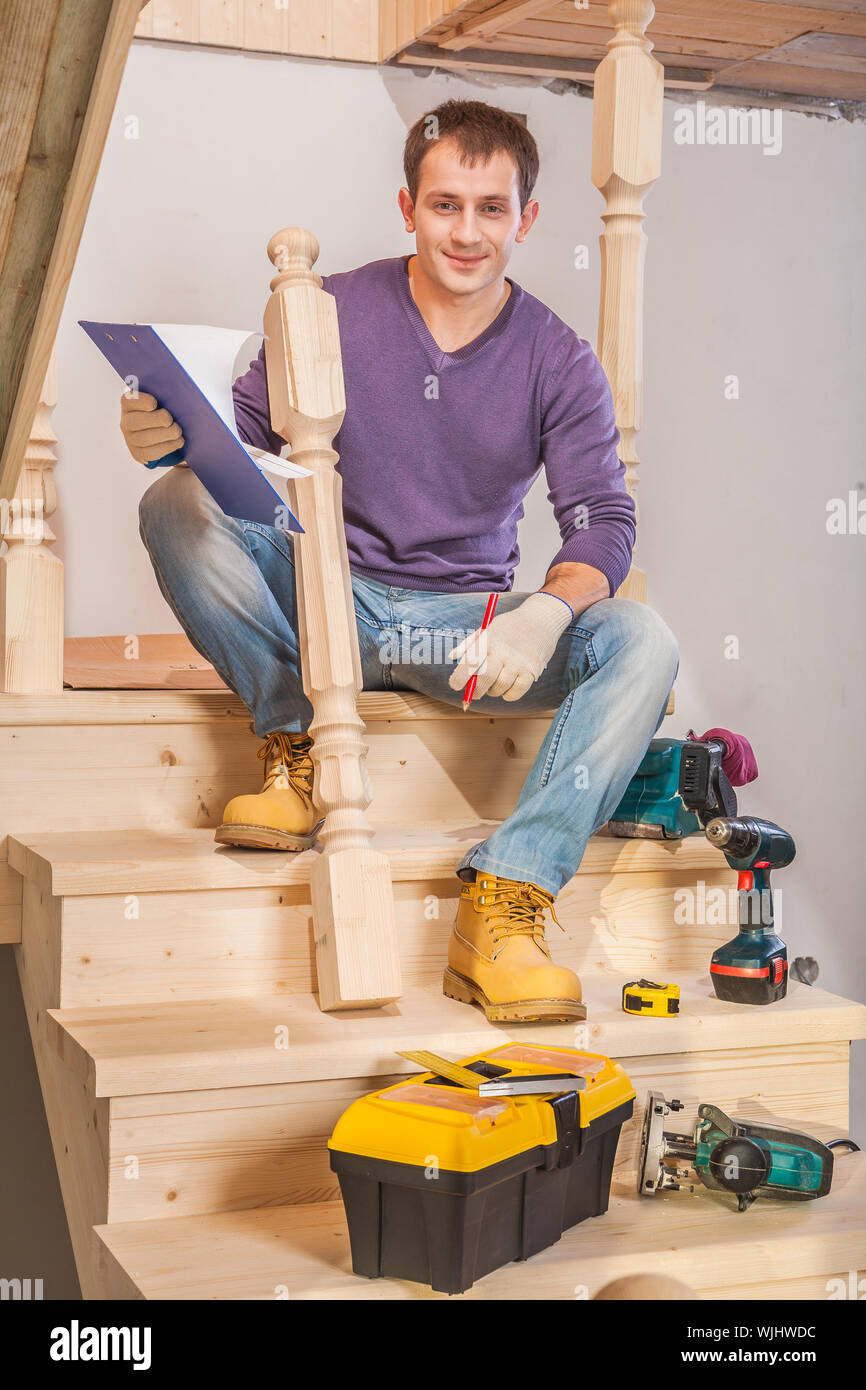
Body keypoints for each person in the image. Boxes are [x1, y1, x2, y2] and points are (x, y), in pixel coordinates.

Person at [126, 99, 678, 1024]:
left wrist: (543, 612)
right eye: (445, 205)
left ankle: (506, 902)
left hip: (467, 631)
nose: (467, 233)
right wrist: (164, 440)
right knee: (172, 501)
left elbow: (603, 522)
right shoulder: (329, 308)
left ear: (526, 219)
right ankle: (296, 744)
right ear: (407, 207)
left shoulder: (558, 358)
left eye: (491, 209)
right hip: (322, 594)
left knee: (643, 640)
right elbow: (243, 458)